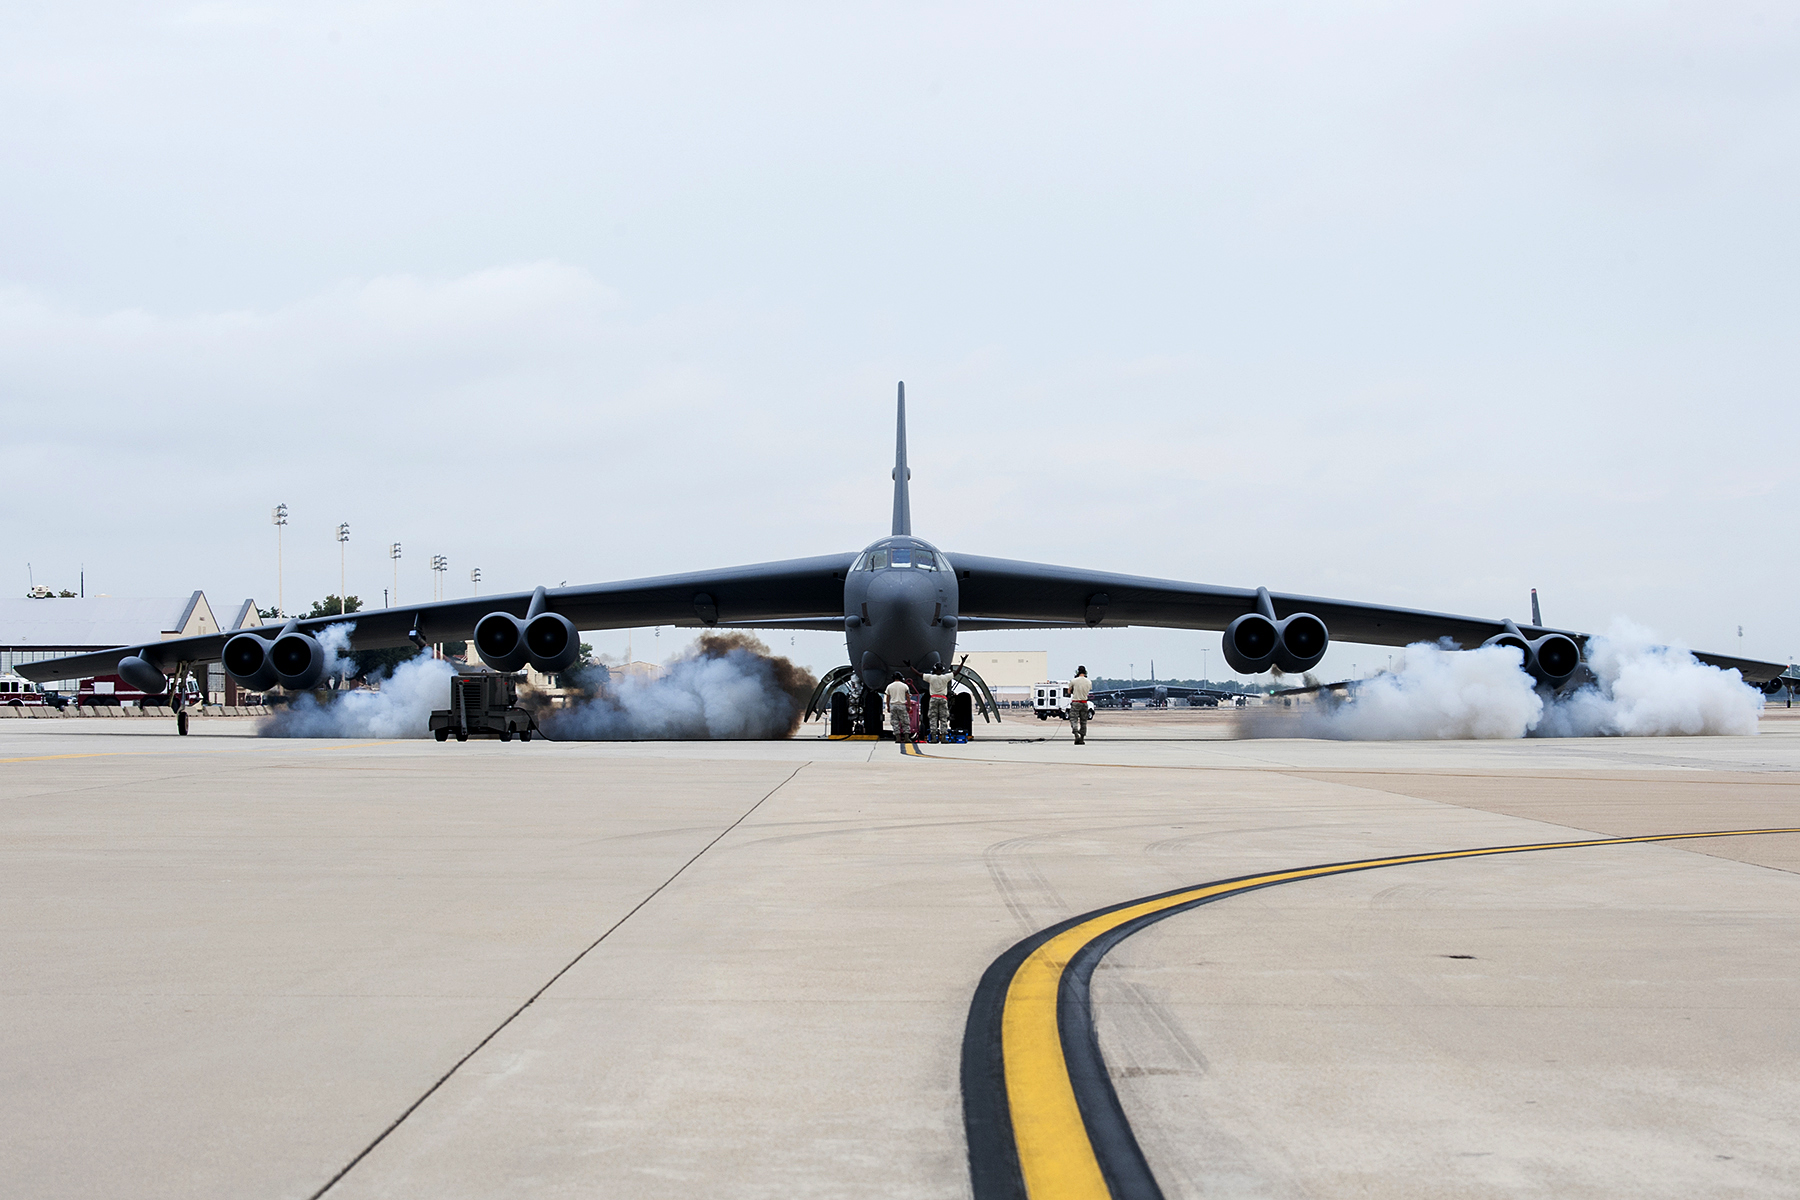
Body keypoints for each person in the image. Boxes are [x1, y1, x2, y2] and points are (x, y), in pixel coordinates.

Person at [923, 664, 954, 741]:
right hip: (943, 698)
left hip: (933, 698)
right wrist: (962, 663)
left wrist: (910, 667)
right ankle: (943, 737)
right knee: (943, 718)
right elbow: (956, 672)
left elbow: (919, 674)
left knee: (933, 718)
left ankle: (933, 737)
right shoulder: (945, 677)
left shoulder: (930, 677)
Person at [884, 672, 913, 744]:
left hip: (893, 705)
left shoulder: (889, 686)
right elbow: (908, 696)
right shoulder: (904, 686)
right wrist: (909, 706)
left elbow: (887, 697)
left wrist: (888, 706)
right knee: (905, 722)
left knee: (895, 722)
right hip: (901, 705)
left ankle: (897, 737)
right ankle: (906, 737)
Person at [1068, 666, 1093, 744]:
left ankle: (1076, 735)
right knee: (1083, 721)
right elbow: (1088, 691)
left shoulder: (1074, 681)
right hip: (1084, 702)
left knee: (1073, 719)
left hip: (1076, 702)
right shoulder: (1089, 682)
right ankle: (1082, 738)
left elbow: (1069, 691)